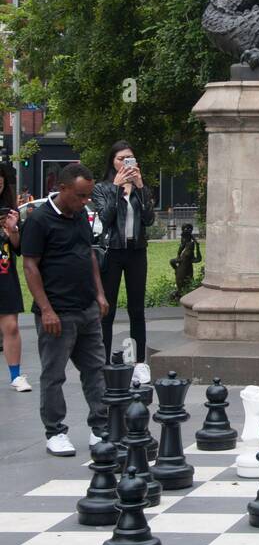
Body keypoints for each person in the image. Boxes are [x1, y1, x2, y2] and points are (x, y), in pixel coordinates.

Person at [20, 162, 110, 456]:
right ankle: (55, 431)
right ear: (63, 188)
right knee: (54, 374)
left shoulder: (80, 214)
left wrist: (99, 294)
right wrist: (46, 309)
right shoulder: (39, 220)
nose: (85, 202)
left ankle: (101, 427)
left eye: (88, 196)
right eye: (81, 196)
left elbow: (89, 256)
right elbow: (30, 266)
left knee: (96, 370)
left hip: (86, 309)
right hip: (57, 312)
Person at [91, 141, 155, 381]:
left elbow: (148, 219)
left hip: (136, 251)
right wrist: (118, 190)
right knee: (107, 308)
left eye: (130, 158)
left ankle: (139, 362)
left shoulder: (141, 188)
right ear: (112, 162)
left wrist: (139, 187)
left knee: (137, 309)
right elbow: (106, 218)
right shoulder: (102, 188)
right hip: (113, 251)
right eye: (120, 159)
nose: (125, 163)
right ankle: (103, 361)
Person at [0, 161, 28, 392]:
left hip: (4, 274)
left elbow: (19, 248)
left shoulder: (10, 211)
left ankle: (16, 375)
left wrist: (13, 231)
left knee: (10, 327)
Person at [170, 222, 202, 295]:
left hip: (187, 271)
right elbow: (171, 261)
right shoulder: (183, 258)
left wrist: (197, 248)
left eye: (190, 229)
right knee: (182, 288)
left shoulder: (190, 257)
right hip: (181, 270)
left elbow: (198, 259)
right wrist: (178, 258)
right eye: (186, 228)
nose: (188, 230)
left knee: (188, 286)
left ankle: (183, 292)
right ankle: (179, 292)